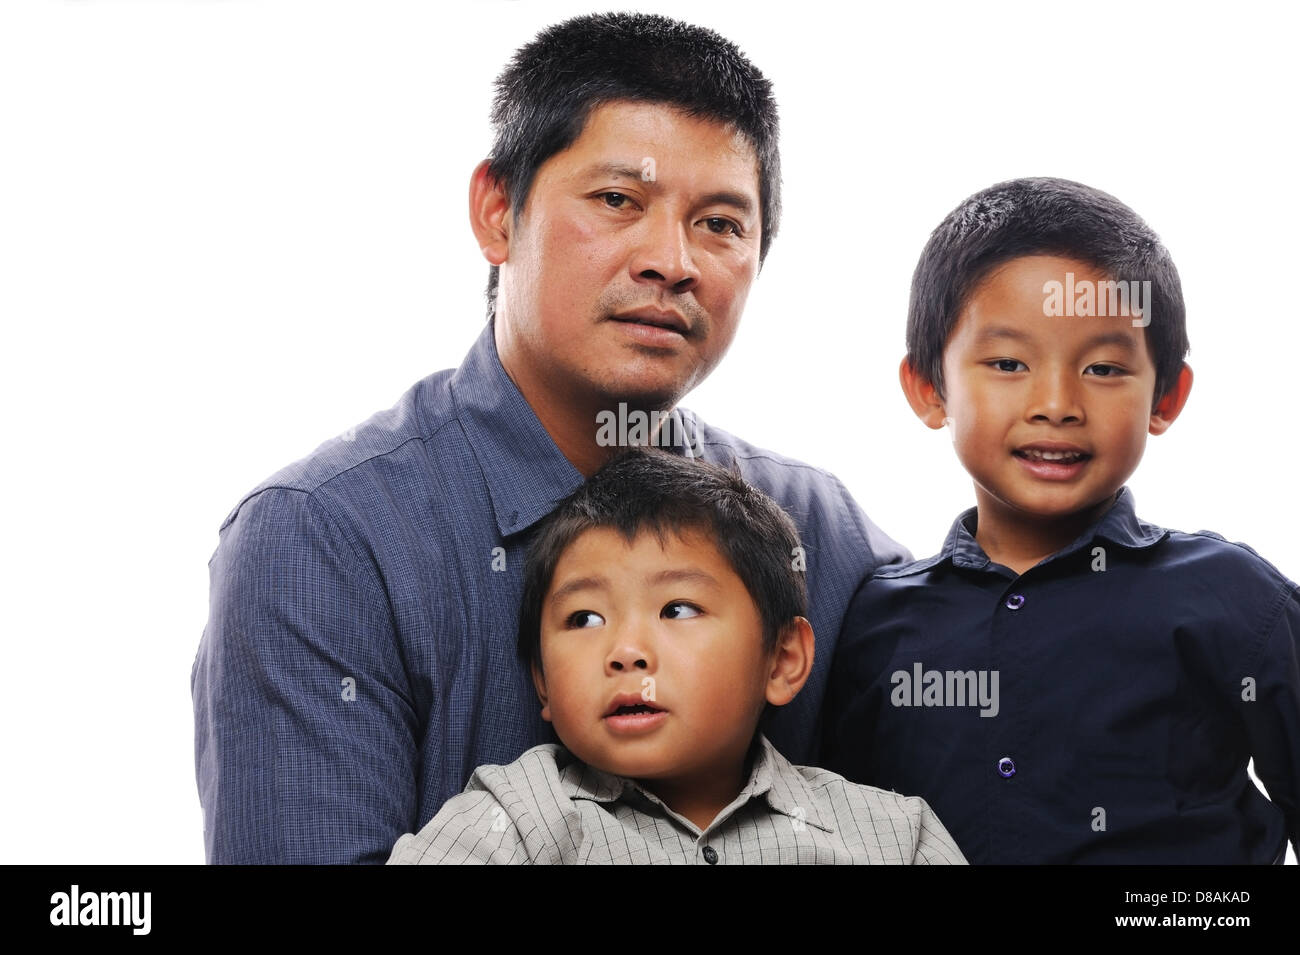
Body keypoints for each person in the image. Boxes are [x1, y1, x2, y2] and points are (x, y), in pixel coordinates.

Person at [191, 11, 907, 864]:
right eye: (618, 200)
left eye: (720, 223)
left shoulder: (817, 531)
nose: (671, 260)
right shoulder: (321, 541)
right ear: (498, 210)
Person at [821, 177, 1300, 864]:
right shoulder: (873, 624)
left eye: (1104, 367)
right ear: (930, 388)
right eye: (1009, 362)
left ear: (1166, 395)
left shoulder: (1233, 597)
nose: (1056, 403)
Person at [388, 449, 964, 864]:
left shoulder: (891, 837)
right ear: (542, 680)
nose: (626, 653)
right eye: (585, 618)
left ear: (783, 659)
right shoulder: (510, 822)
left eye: (678, 609)